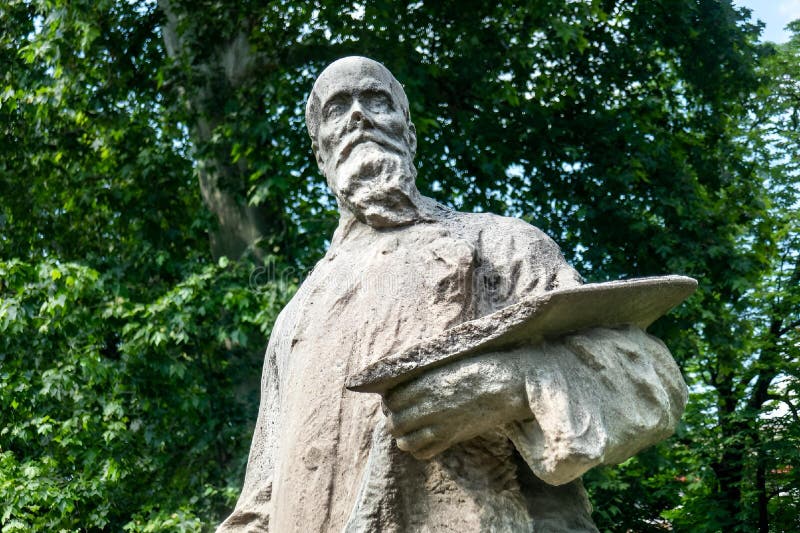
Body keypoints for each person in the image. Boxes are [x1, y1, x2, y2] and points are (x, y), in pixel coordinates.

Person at [218, 56, 687, 532]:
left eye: (376, 100)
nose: (358, 115)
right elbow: (259, 504)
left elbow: (650, 377)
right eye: (337, 109)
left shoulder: (500, 244)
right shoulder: (296, 317)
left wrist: (512, 386)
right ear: (321, 154)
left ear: (408, 134)